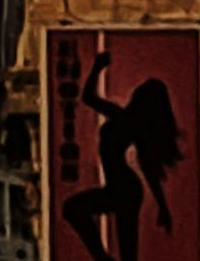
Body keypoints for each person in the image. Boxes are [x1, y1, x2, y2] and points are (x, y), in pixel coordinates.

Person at [60, 54, 181, 261]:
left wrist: (163, 206)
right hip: (122, 188)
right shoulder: (123, 117)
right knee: (73, 209)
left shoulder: (127, 121)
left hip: (125, 189)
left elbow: (148, 168)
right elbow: (88, 98)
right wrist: (97, 68)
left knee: (127, 253)